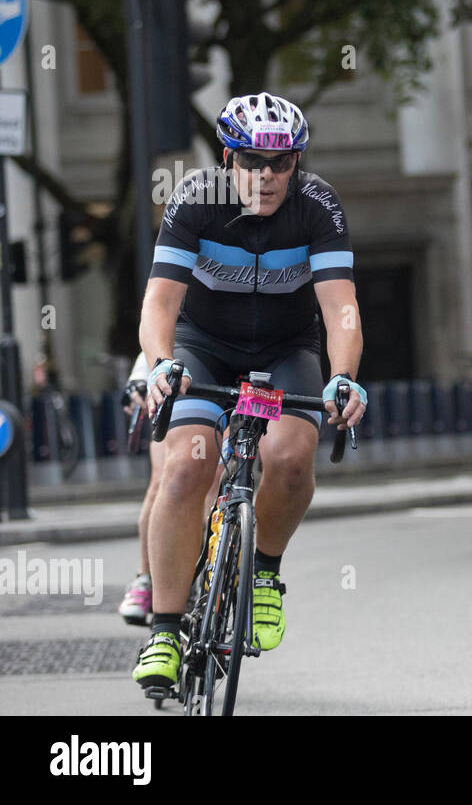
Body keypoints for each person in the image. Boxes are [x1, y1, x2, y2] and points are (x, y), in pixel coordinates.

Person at [133, 92, 368, 691]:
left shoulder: (318, 205)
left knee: (290, 459)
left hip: (286, 351)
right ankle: (164, 629)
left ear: (297, 163)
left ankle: (263, 574)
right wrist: (161, 363)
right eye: (249, 162)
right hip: (203, 345)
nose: (265, 177)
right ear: (225, 157)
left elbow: (340, 307)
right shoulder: (195, 200)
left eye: (281, 164)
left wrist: (343, 375)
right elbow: (160, 301)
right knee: (187, 467)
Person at [117, 352, 224, 626]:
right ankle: (145, 578)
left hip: (237, 394)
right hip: (184, 386)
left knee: (220, 479)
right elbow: (160, 333)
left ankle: (220, 570)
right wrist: (139, 379)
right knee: (167, 476)